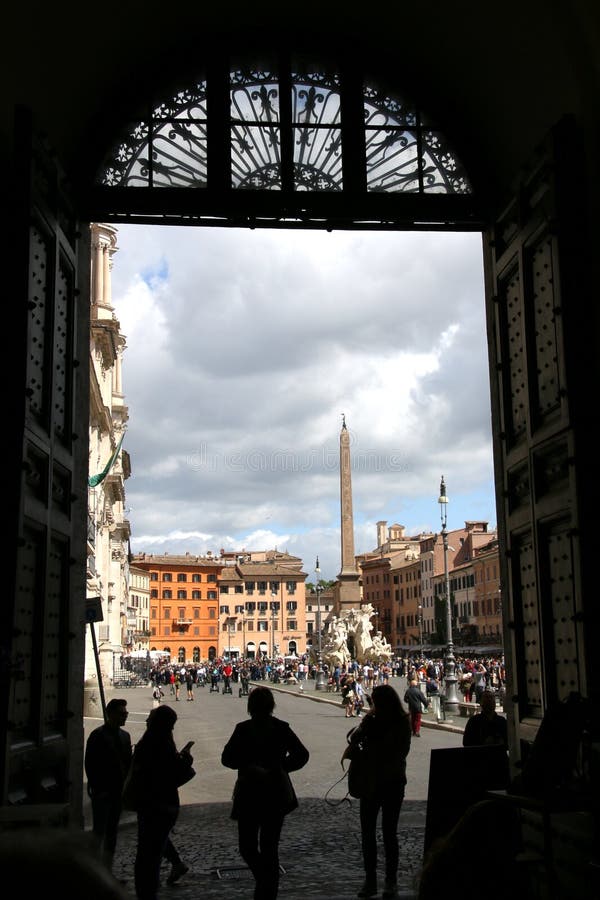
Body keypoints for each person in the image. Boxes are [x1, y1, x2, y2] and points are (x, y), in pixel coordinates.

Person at [221, 685, 309, 900]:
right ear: (271, 706)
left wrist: (249, 765)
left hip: (250, 792)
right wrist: (281, 768)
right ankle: (268, 885)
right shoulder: (281, 727)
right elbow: (302, 755)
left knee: (247, 846)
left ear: (250, 706)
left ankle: (265, 885)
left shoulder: (243, 729)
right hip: (275, 791)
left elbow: (227, 758)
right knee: (270, 846)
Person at [341, 684, 412, 899]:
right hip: (389, 782)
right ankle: (386, 881)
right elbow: (402, 751)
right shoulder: (401, 722)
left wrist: (369, 731)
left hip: (378, 781)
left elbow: (358, 742)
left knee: (372, 833)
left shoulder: (384, 722)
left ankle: (374, 881)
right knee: (386, 833)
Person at [131, 705, 195, 899]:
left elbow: (164, 773)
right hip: (164, 803)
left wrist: (183, 761)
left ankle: (147, 892)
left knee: (147, 854)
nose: (146, 720)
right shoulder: (164, 742)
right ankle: (154, 884)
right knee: (152, 849)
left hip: (152, 803)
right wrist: (184, 760)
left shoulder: (151, 742)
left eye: (150, 717)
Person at [84, 697, 133, 871]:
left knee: (112, 832)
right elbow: (90, 764)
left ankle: (107, 868)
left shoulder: (125, 736)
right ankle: (93, 870)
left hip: (119, 791)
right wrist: (97, 787)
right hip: (103, 791)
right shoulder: (97, 735)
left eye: (126, 713)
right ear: (110, 714)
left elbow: (128, 763)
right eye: (121, 714)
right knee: (99, 831)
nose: (125, 717)